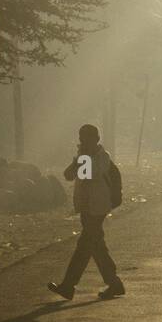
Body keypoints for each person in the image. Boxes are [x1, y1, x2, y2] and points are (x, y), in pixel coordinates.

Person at [49, 124, 124, 300]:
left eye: (88, 139)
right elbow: (68, 175)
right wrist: (78, 160)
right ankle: (113, 283)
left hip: (98, 207)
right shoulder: (84, 157)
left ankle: (70, 285)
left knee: (87, 246)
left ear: (97, 139)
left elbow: (88, 174)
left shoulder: (102, 157)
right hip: (86, 207)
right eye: (82, 139)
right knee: (93, 245)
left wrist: (82, 158)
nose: (85, 142)